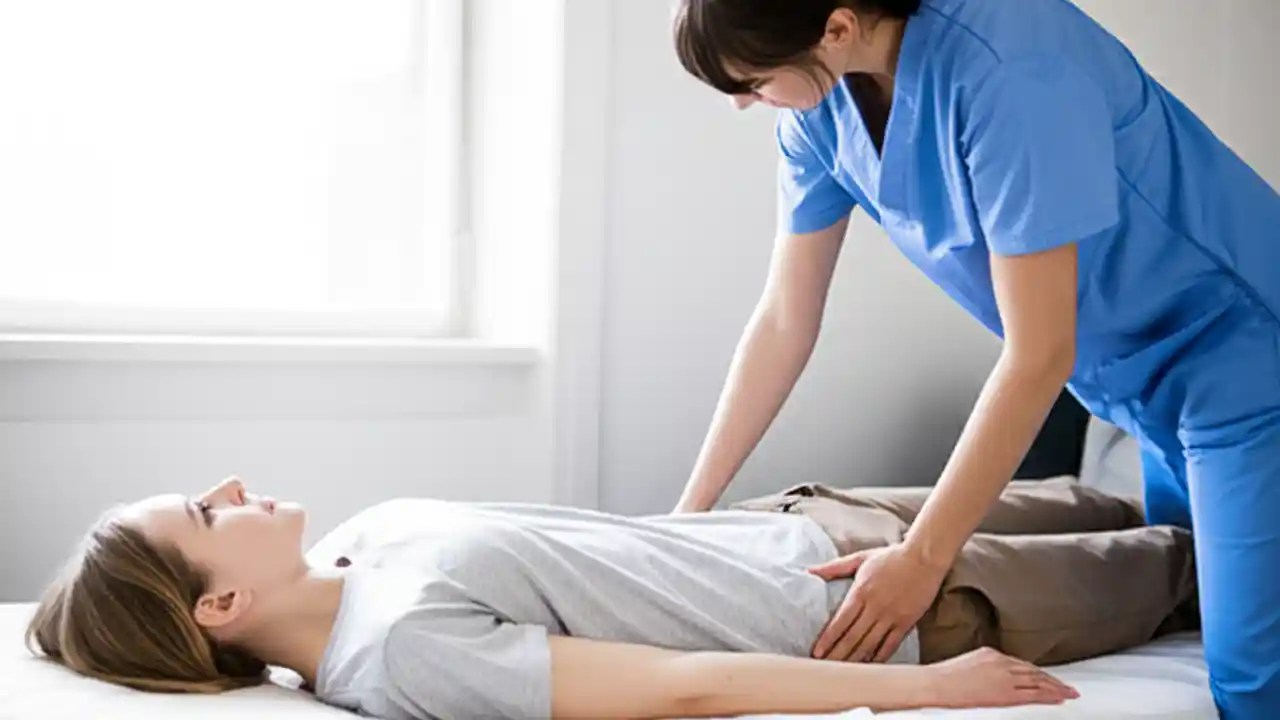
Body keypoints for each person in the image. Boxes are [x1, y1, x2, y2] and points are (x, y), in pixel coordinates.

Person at [671, 1, 1280, 717]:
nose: (743, 103)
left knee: (1250, 682)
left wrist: (922, 559)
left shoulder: (1012, 69)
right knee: (1179, 595)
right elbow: (784, 319)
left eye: (752, 81)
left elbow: (1039, 355)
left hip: (1240, 362)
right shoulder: (820, 110)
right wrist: (688, 515)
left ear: (836, 28)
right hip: (1131, 389)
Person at [31, 476, 1212, 719]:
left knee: (1115, 490)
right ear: (220, 606)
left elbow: (611, 549)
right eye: (203, 514)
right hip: (889, 612)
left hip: (820, 519)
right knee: (1194, 562)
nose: (228, 489)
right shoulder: (399, 654)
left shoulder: (361, 539)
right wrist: (923, 689)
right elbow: (674, 687)